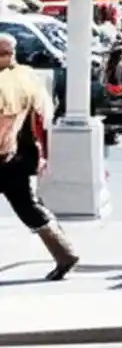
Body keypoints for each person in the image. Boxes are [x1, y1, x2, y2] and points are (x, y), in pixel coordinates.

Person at [0, 33, 78, 280]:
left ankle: (65, 253)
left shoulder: (10, 81)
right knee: (28, 205)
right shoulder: (27, 75)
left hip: (8, 154)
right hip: (20, 155)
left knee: (28, 205)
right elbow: (41, 118)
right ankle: (64, 252)